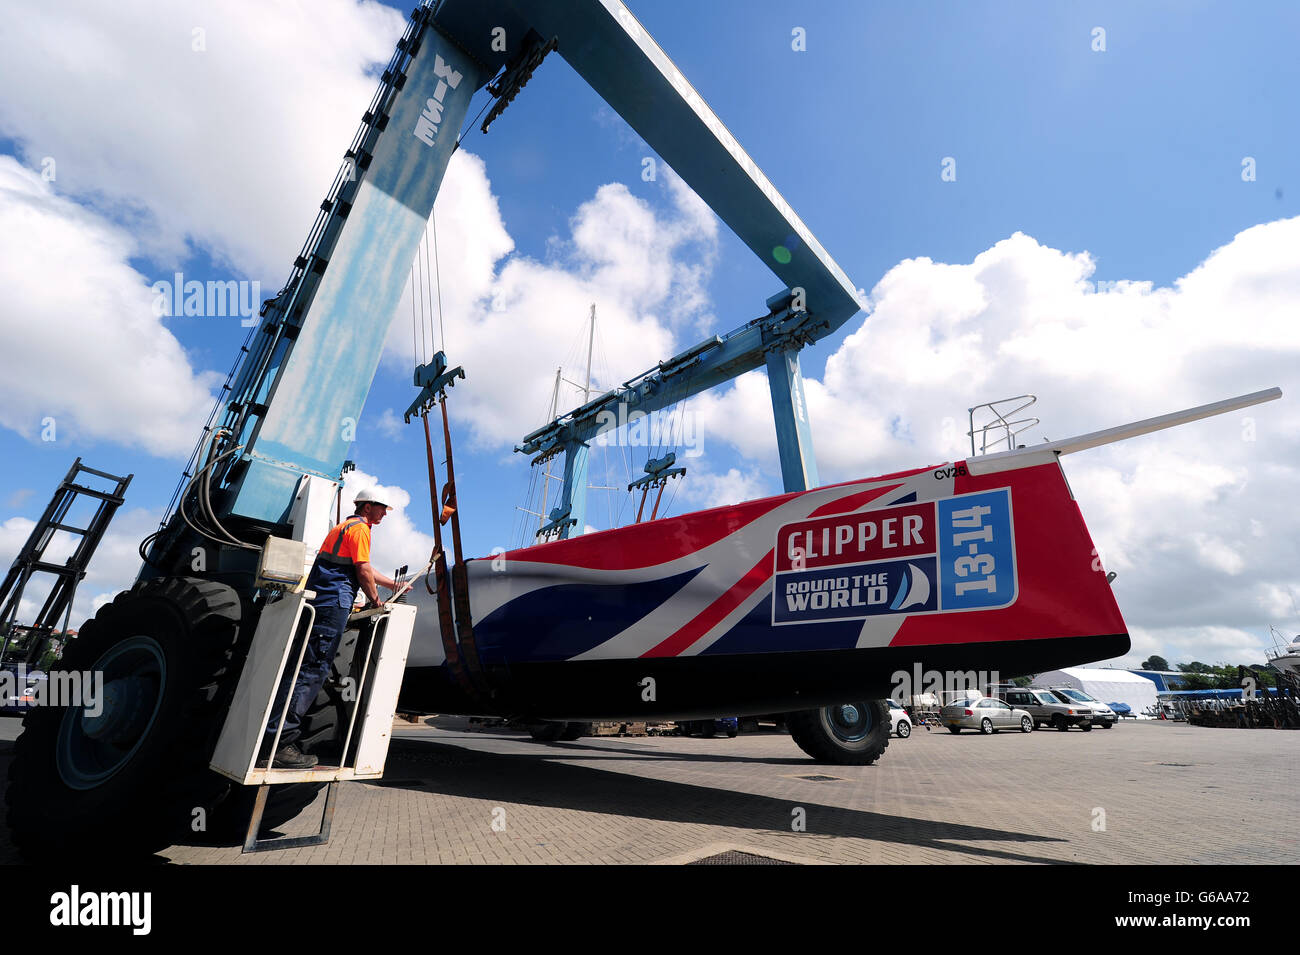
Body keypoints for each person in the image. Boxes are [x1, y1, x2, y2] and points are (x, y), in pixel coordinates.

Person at [263, 488, 398, 769]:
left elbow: (363, 567)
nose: (385, 513)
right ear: (368, 506)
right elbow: (362, 570)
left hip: (321, 601)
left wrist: (392, 585)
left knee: (301, 666)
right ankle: (279, 743)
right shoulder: (361, 529)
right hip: (333, 602)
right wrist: (376, 600)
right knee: (312, 669)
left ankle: (274, 738)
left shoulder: (343, 527)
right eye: (383, 508)